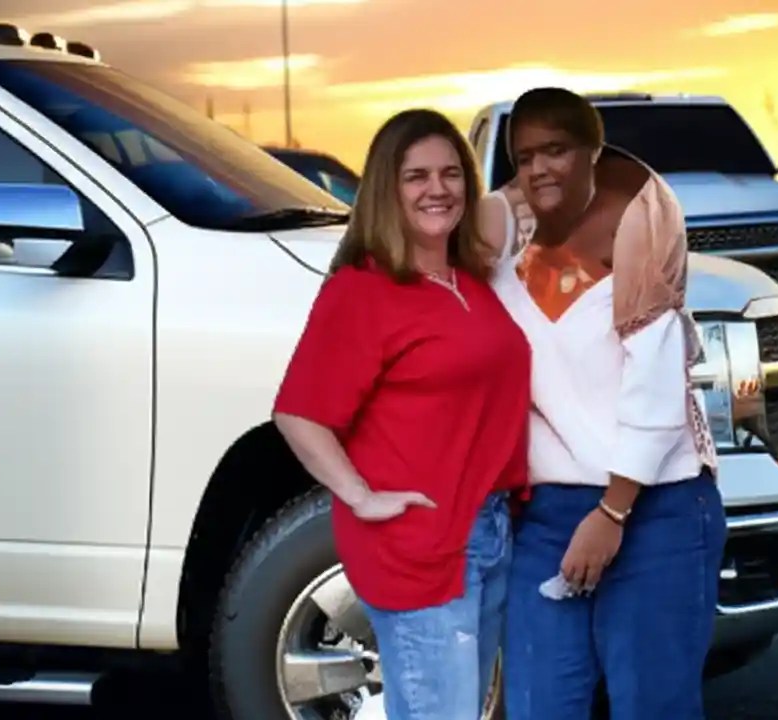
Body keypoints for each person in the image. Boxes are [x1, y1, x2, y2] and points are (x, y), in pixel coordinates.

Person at [272, 108, 531, 720]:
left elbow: (517, 199)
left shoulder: (468, 277)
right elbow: (299, 414)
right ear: (387, 188)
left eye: (450, 173)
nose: (437, 189)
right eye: (416, 176)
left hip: (489, 531)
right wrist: (360, 496)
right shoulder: (363, 291)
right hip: (419, 544)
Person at [478, 87, 728, 719]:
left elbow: (657, 389)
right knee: (540, 705)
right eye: (525, 155)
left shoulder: (639, 233)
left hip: (655, 510)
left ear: (593, 152)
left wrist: (612, 514)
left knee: (654, 706)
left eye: (556, 150)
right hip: (549, 515)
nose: (539, 168)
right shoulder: (508, 249)